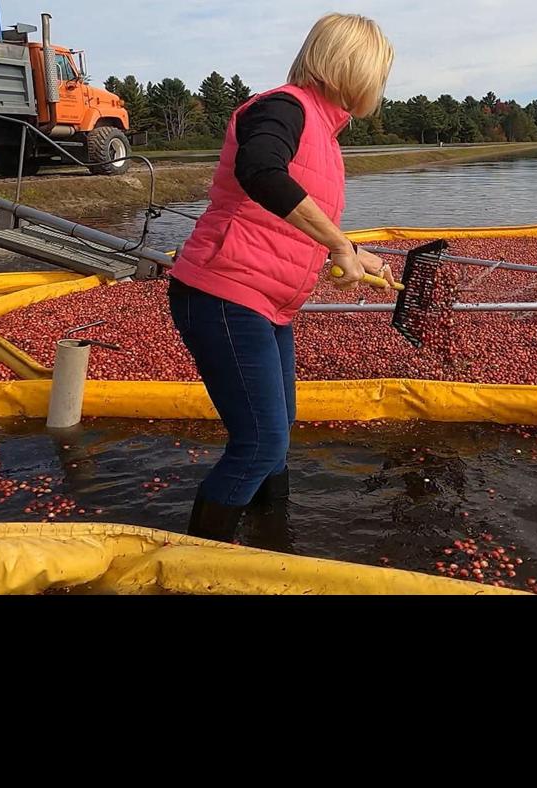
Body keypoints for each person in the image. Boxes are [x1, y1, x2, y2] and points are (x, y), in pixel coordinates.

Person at [166, 13, 396, 542]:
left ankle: (274, 539)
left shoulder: (326, 133)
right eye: (379, 72)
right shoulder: (283, 107)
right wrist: (338, 243)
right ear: (351, 66)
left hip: (267, 302)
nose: (380, 87)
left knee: (279, 428)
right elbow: (260, 171)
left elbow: (285, 224)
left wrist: (356, 254)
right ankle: (196, 560)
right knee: (260, 442)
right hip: (222, 292)